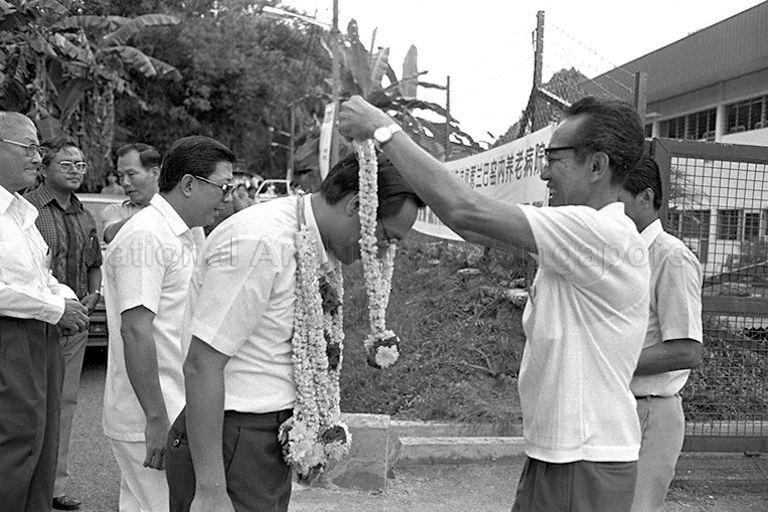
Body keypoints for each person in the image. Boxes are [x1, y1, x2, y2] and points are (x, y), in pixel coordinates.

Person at [339, 95, 650, 511]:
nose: (543, 172)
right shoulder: (579, 237)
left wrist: (384, 129)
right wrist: (407, 179)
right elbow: (469, 224)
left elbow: (466, 210)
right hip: (562, 451)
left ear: (597, 166)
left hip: (586, 457)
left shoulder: (601, 235)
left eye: (553, 158)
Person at [164, 154, 423, 512]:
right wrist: (210, 489)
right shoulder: (262, 243)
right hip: (230, 441)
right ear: (356, 206)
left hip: (261, 439)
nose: (380, 252)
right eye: (384, 237)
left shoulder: (309, 241)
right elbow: (201, 364)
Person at [102, 136, 236, 512]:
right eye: (223, 187)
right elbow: (136, 329)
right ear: (190, 184)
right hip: (150, 413)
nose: (226, 198)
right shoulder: (147, 235)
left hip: (175, 404)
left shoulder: (189, 234)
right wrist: (156, 420)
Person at [0, 112, 90, 512]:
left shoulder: (22, 213)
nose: (38, 157)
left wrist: (64, 297)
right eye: (30, 147)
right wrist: (54, 307)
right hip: (11, 339)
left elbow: (41, 274)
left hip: (40, 337)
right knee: (12, 447)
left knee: (40, 443)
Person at [618, 156, 703, 512]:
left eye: (615, 199)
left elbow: (686, 351)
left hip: (651, 412)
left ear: (645, 197)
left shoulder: (671, 257)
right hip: (618, 408)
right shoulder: (622, 252)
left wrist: (610, 361)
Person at [24, 137, 103, 511]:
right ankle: (23, 484)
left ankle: (54, 487)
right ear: (44, 168)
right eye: (66, 164)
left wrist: (94, 293)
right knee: (27, 407)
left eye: (81, 165)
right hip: (34, 323)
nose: (76, 170)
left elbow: (93, 263)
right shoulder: (25, 210)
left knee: (64, 406)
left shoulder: (84, 213)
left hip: (75, 324)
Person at [102, 143, 161, 243]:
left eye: (131, 174)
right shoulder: (115, 211)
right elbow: (110, 236)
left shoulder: (178, 209)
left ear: (155, 173)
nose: (125, 182)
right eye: (120, 176)